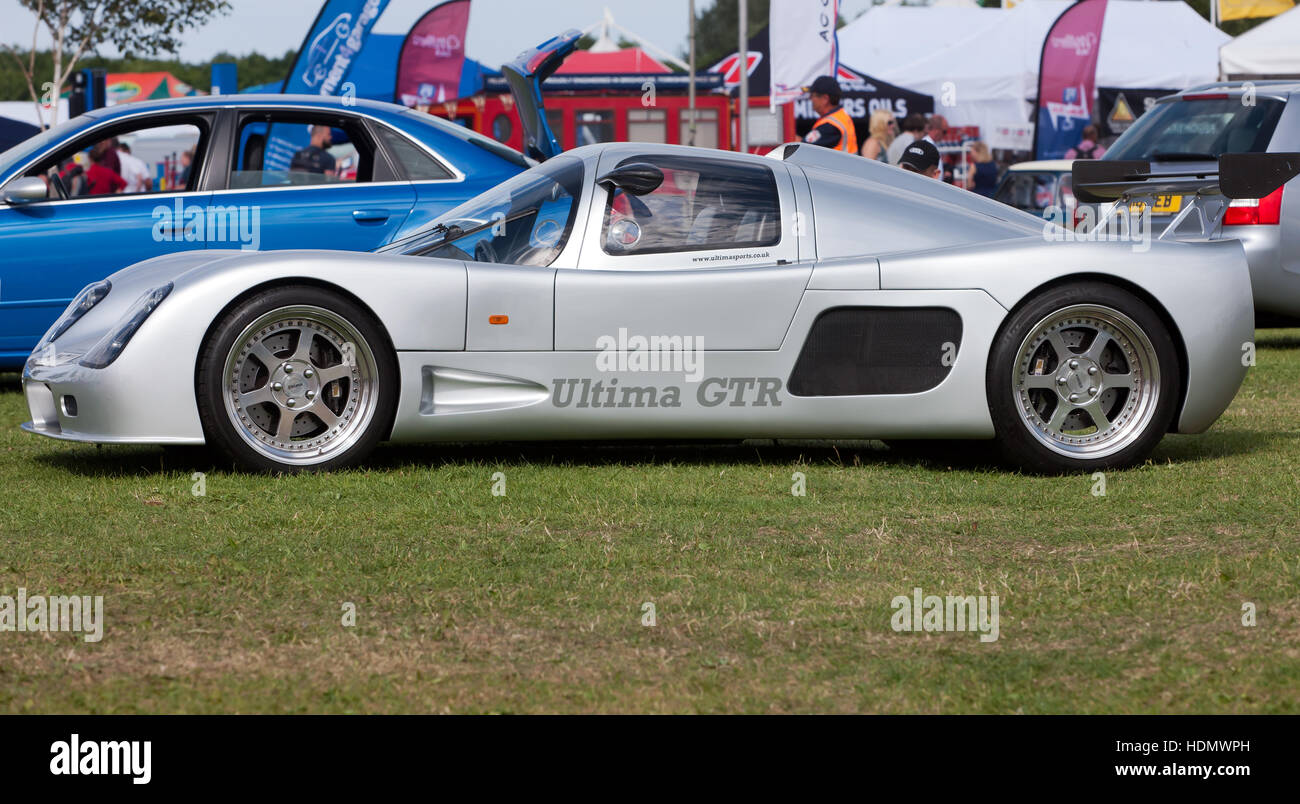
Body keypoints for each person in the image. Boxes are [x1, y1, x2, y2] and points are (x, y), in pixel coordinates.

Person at [801, 76, 857, 153]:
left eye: (812, 95)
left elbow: (801, 149)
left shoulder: (830, 125)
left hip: (837, 165)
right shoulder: (841, 116)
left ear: (825, 99)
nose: (810, 99)